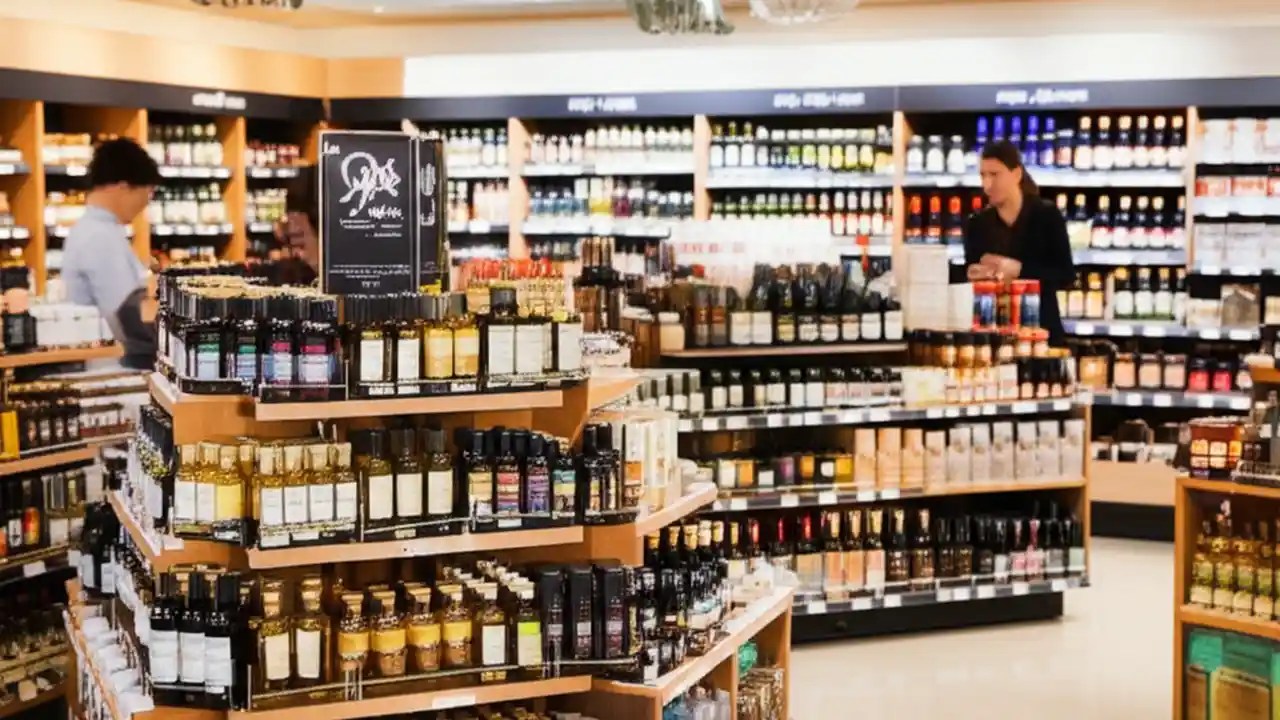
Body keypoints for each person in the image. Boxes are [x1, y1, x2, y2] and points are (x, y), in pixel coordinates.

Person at [63, 138, 161, 370]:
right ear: (123, 188)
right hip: (112, 369)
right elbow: (126, 314)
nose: (144, 206)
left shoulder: (93, 230)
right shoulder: (100, 236)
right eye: (147, 194)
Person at [964, 140, 1074, 345]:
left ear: (1016, 174)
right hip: (993, 338)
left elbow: (1065, 275)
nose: (987, 185)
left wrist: (1019, 270)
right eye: (983, 176)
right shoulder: (977, 225)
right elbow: (967, 275)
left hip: (1042, 335)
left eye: (995, 175)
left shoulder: (1046, 215)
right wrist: (974, 274)